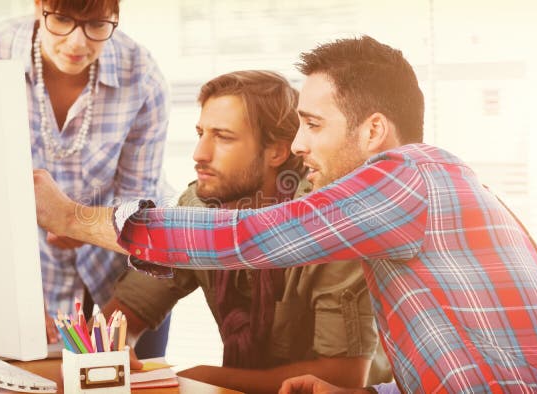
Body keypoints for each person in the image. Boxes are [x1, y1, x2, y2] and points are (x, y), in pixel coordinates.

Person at [32, 36, 537, 392]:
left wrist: (70, 217)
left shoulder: (408, 176)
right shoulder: (416, 200)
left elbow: (245, 239)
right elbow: (452, 366)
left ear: (374, 130)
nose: (299, 145)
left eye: (314, 125)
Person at [104, 70, 389, 393]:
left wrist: (205, 378)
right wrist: (113, 346)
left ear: (277, 152)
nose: (199, 154)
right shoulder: (198, 207)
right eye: (201, 133)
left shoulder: (331, 223)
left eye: (223, 137)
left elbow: (343, 377)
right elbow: (128, 310)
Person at [0, 0, 171, 355]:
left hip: (120, 266)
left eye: (96, 24)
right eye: (61, 19)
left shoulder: (142, 76)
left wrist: (79, 223)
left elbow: (137, 202)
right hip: (30, 268)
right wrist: (15, 295)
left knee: (133, 374)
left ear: (116, 17)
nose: (77, 42)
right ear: (38, 7)